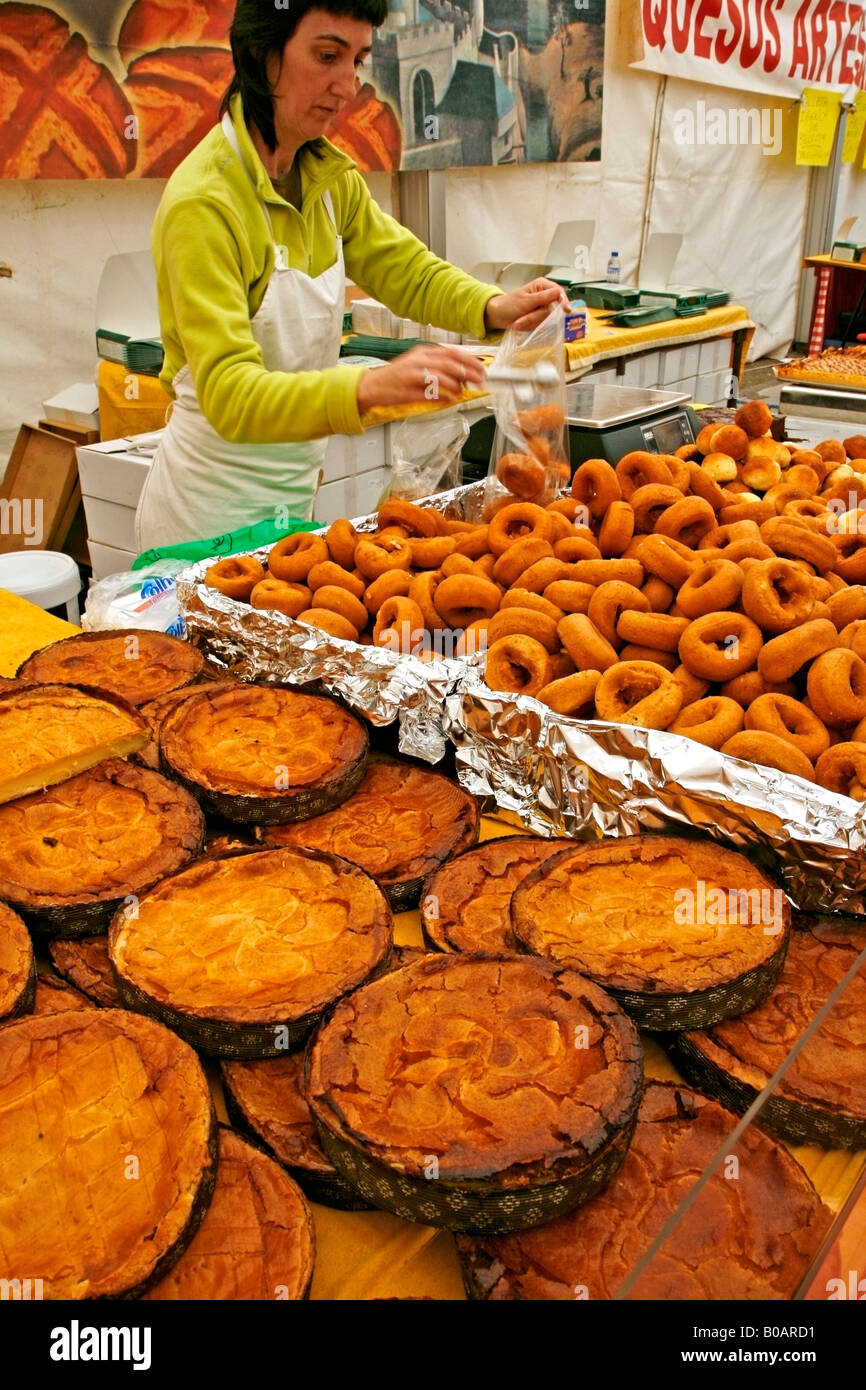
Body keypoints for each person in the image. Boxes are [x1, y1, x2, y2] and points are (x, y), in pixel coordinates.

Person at [134, 0, 568, 550]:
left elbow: (407, 270)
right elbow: (231, 394)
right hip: (203, 513)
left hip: (287, 501)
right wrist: (368, 387)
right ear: (261, 52)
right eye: (326, 56)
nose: (347, 86)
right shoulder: (205, 203)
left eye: (357, 60)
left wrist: (490, 306)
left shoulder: (325, 176)